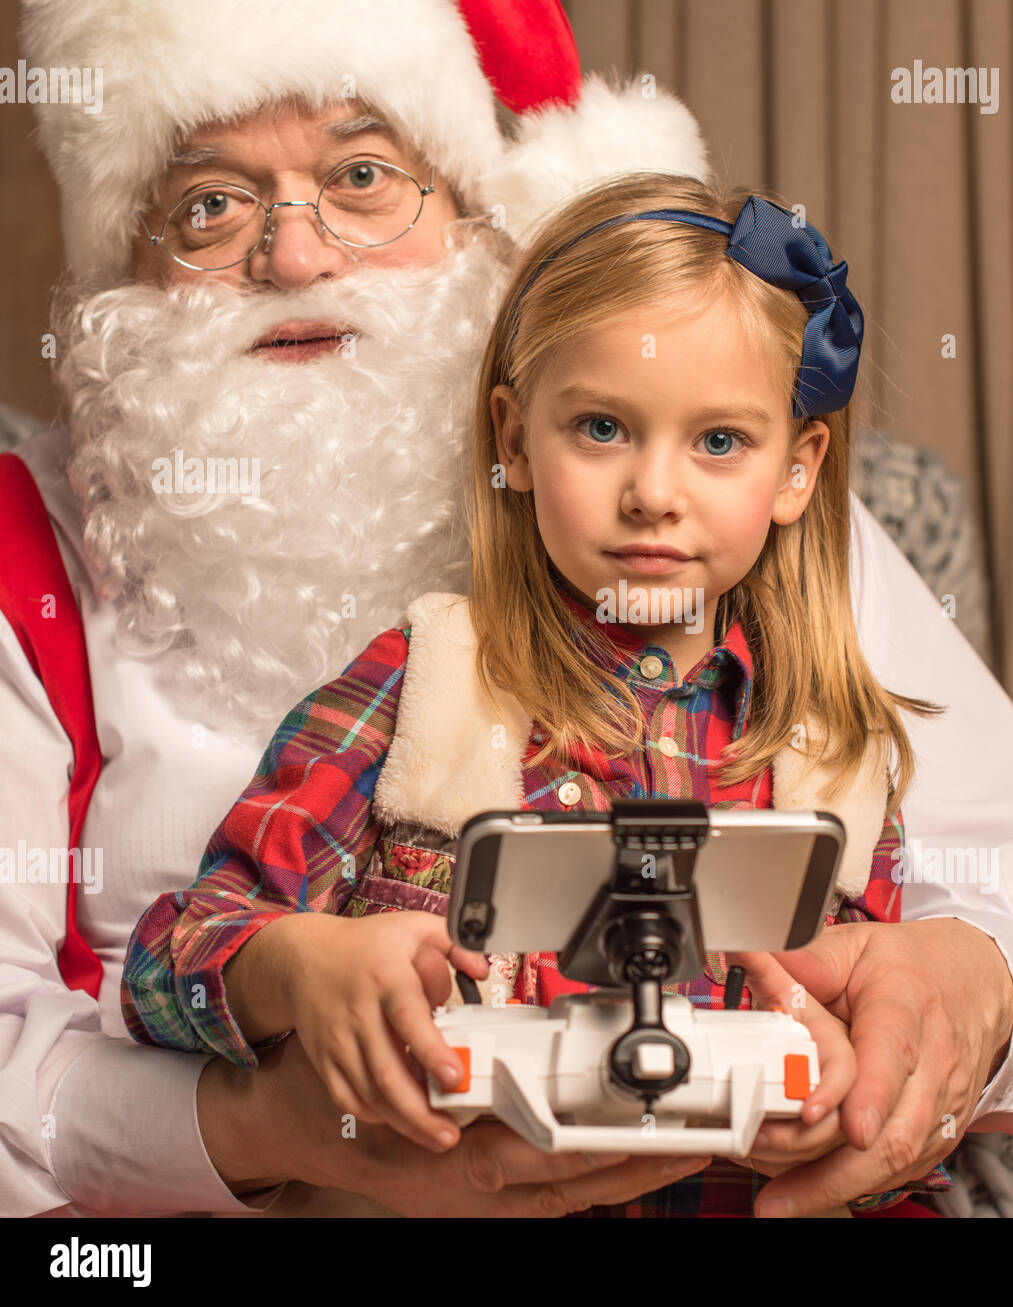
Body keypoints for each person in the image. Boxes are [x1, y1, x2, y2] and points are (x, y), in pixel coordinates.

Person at [0, 0, 1013, 1218]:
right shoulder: (51, 558)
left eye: (364, 175)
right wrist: (281, 1122)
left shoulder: (730, 520)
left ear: (480, 205)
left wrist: (953, 992)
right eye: (209, 203)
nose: (293, 258)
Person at [120, 173, 958, 1217]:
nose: (654, 489)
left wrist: (848, 1106)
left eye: (719, 442)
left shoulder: (841, 753)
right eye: (601, 428)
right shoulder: (422, 680)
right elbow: (168, 964)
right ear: (514, 438)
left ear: (797, 469)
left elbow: (882, 1075)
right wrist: (299, 965)